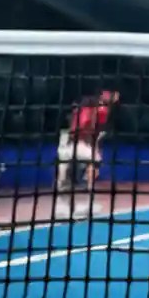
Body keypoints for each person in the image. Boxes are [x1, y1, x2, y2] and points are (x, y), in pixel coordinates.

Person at [55, 90, 119, 218]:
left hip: (68, 144)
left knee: (64, 177)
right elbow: (85, 129)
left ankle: (63, 205)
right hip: (74, 144)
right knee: (92, 163)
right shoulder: (94, 111)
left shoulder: (83, 111)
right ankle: (80, 197)